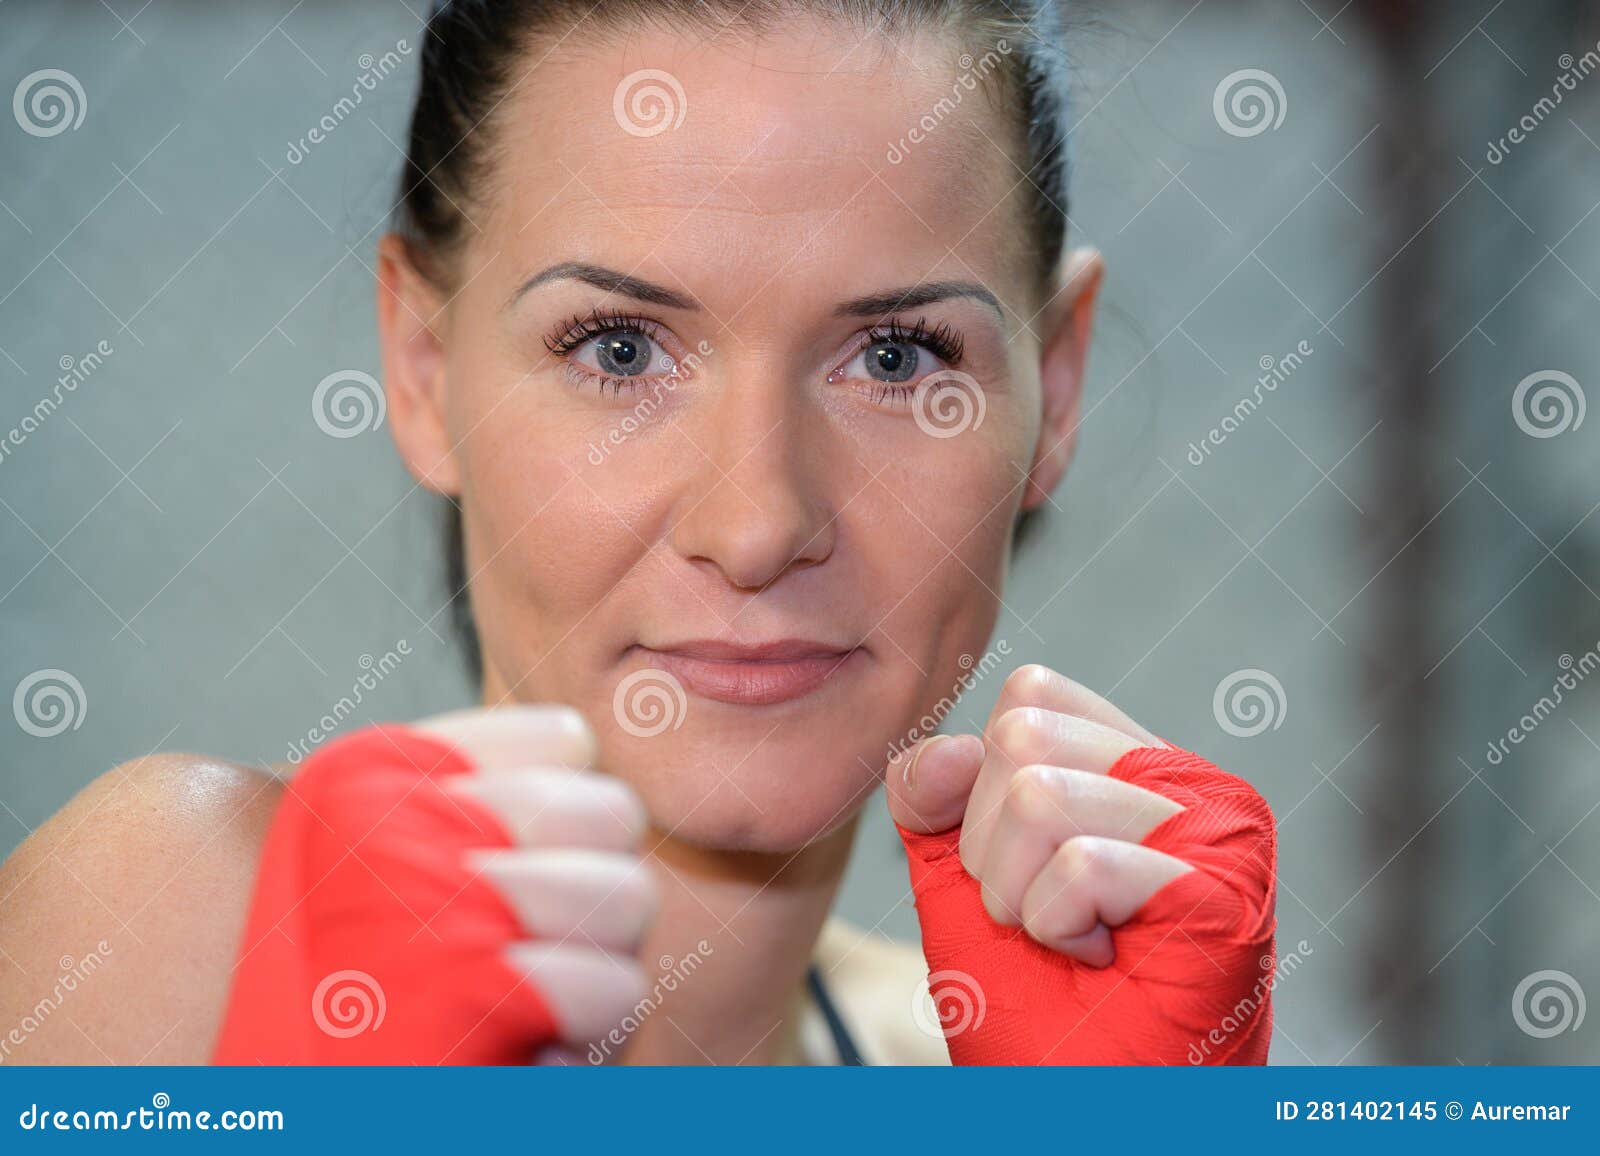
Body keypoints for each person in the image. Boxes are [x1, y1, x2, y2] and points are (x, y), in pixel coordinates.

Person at [0, 0, 1275, 1066]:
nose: (757, 522)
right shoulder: (175, 914)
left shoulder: (944, 1060)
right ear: (423, 365)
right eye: (618, 349)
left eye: (896, 355)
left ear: (1053, 387)